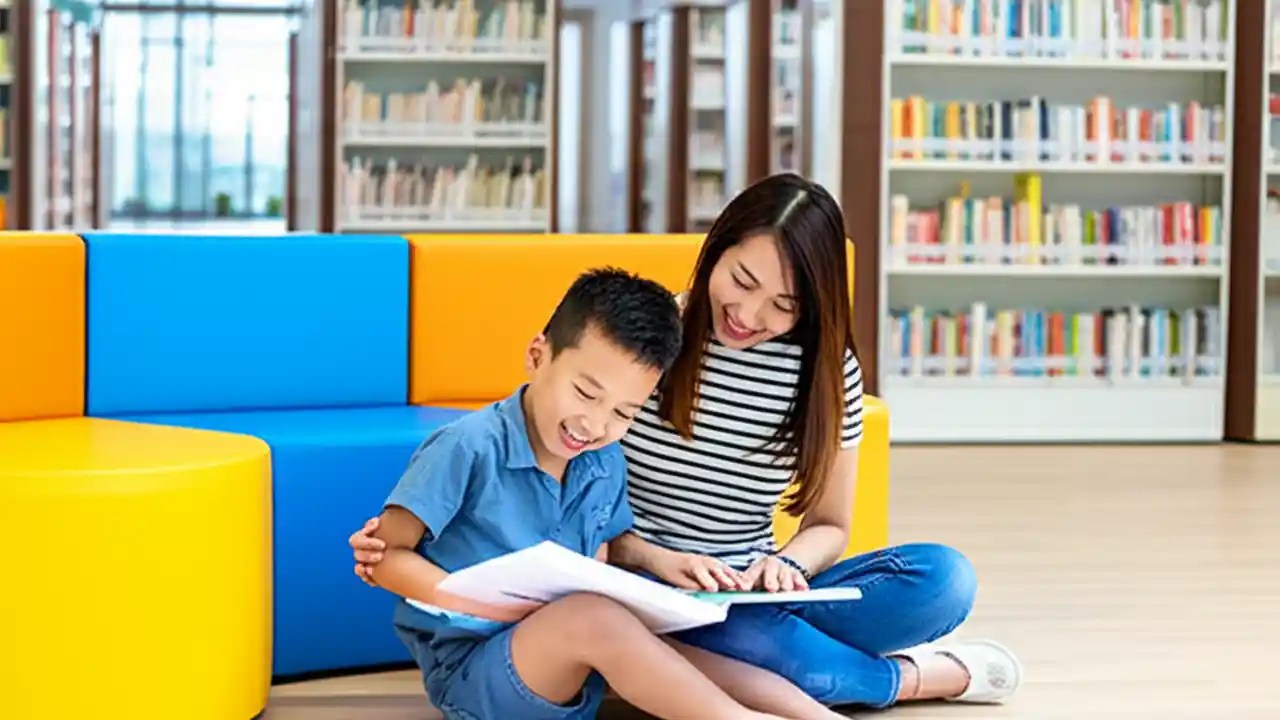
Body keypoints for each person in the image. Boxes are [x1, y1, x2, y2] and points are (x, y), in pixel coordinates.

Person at [352, 175, 1022, 710]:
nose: (749, 315)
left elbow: (831, 526)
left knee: (943, 582)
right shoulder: (648, 343)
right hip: (656, 593)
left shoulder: (824, 371)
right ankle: (905, 679)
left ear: (812, 306)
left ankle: (810, 656)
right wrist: (660, 560)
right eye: (742, 280)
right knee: (793, 663)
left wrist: (786, 564)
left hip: (755, 584)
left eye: (784, 305)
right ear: (716, 250)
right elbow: (550, 426)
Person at [359, 266, 847, 720]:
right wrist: (486, 605)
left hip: (573, 662)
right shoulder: (467, 447)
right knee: (592, 615)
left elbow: (598, 564)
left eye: (624, 413)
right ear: (537, 356)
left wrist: (656, 576)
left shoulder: (605, 462)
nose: (595, 425)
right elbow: (384, 558)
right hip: (475, 670)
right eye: (586, 394)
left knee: (676, 647)